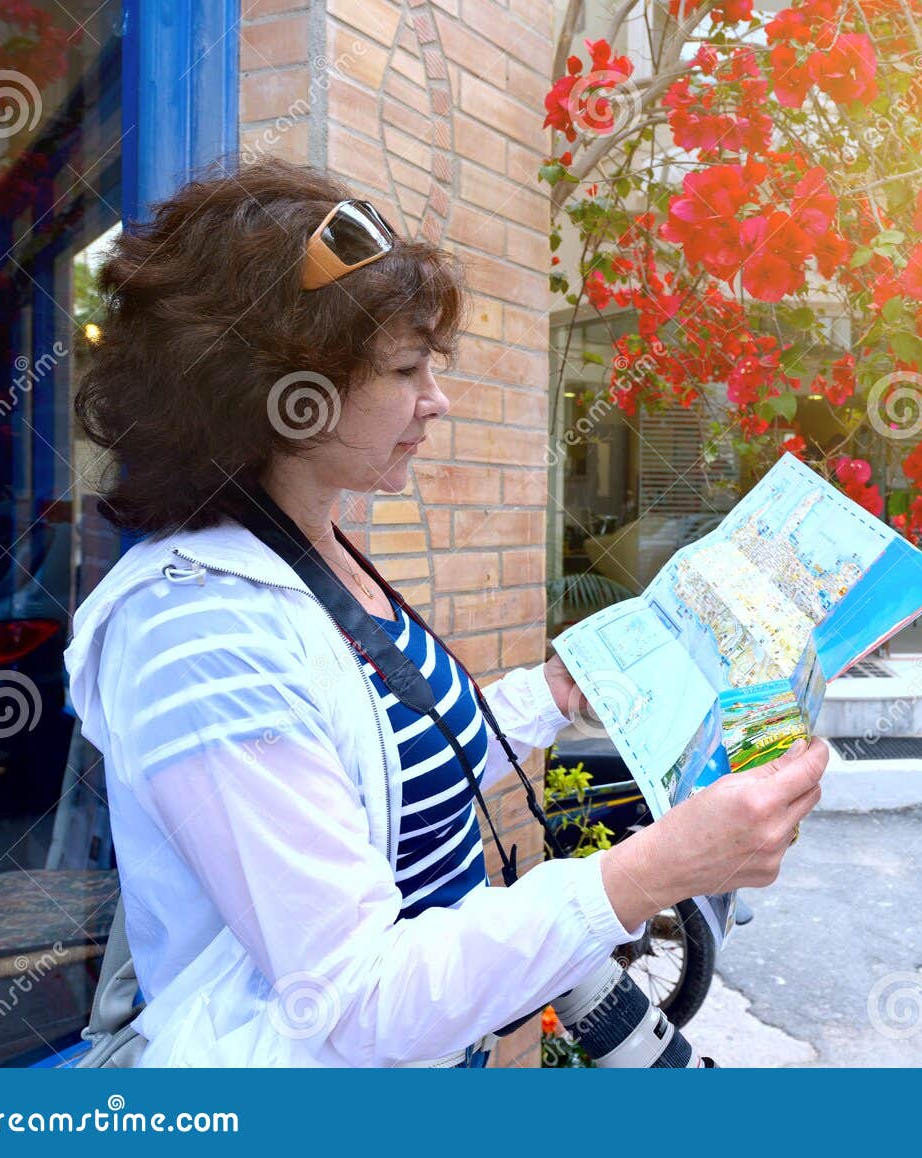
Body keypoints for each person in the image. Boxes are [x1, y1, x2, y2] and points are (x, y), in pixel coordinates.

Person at [63, 158, 827, 1067]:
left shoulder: (313, 552)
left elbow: (385, 769)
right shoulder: (200, 631)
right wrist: (649, 872)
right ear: (275, 394)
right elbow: (347, 1001)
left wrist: (551, 694)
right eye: (406, 368)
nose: (438, 399)